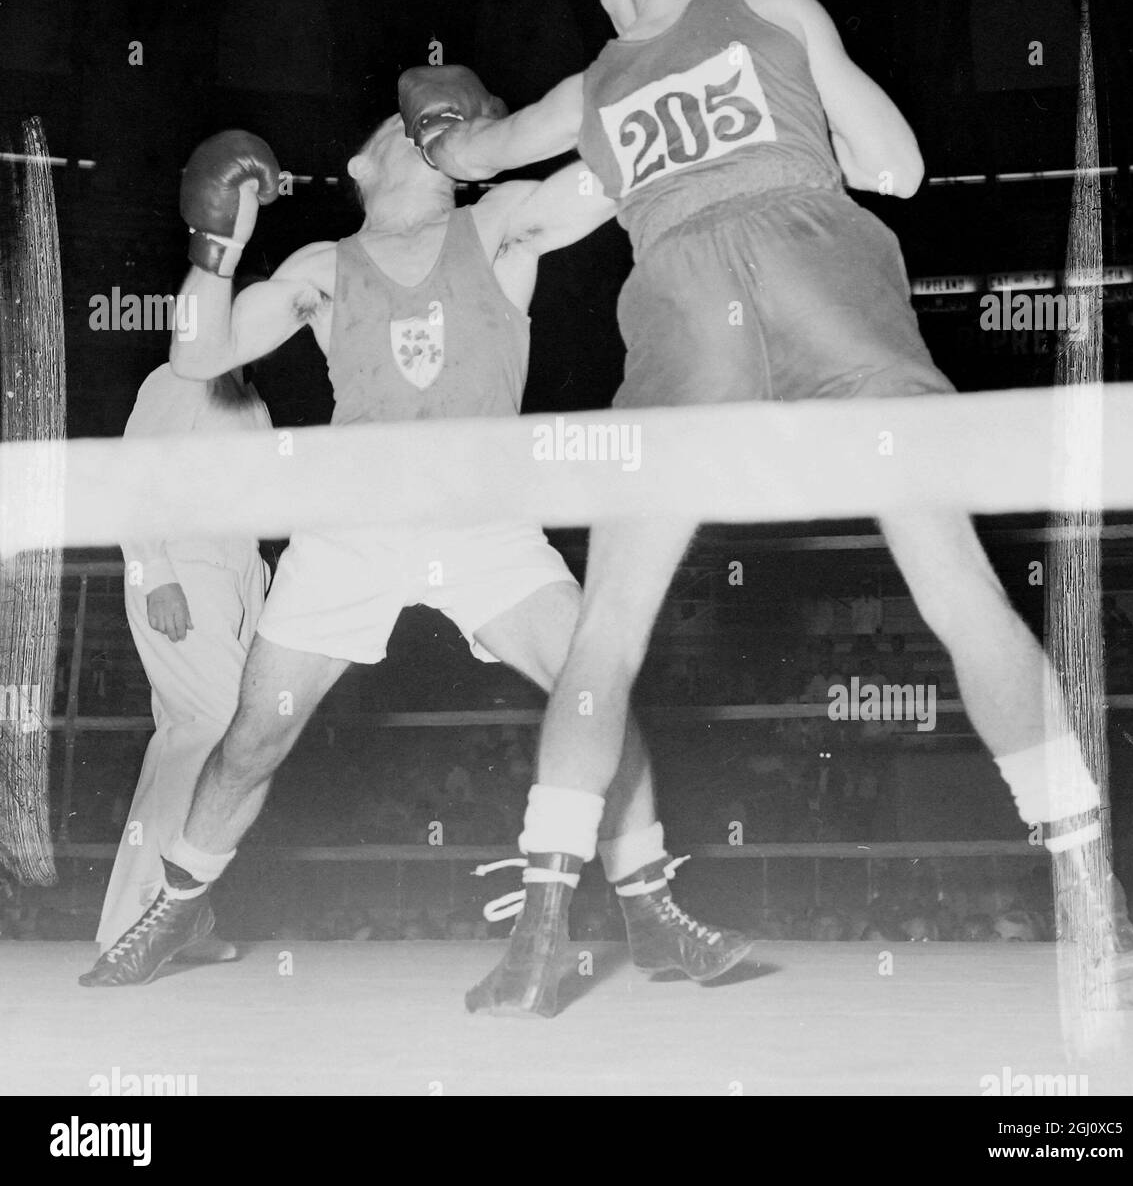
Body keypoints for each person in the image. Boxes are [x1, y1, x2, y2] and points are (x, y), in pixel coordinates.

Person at [421, 0, 1133, 1010]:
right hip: (821, 268)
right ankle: (1097, 918)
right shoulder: (773, 2)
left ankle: (541, 940)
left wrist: (439, 122)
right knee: (962, 594)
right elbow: (898, 167)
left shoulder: (593, 85)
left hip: (681, 299)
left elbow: (476, 156)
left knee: (607, 629)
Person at [80, 104, 750, 1013]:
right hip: (352, 528)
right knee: (251, 739)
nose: (429, 133)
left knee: (594, 684)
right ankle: (172, 906)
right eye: (407, 127)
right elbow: (200, 352)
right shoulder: (324, 267)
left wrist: (676, 99)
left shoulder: (499, 223)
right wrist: (216, 245)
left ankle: (650, 903)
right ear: (363, 163)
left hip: (483, 520)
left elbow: (606, 180)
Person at [95, 363, 271, 960]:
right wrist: (156, 573)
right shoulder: (178, 379)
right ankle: (148, 922)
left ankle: (165, 920)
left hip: (235, 585)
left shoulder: (249, 399)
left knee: (192, 742)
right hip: (181, 575)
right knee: (220, 735)